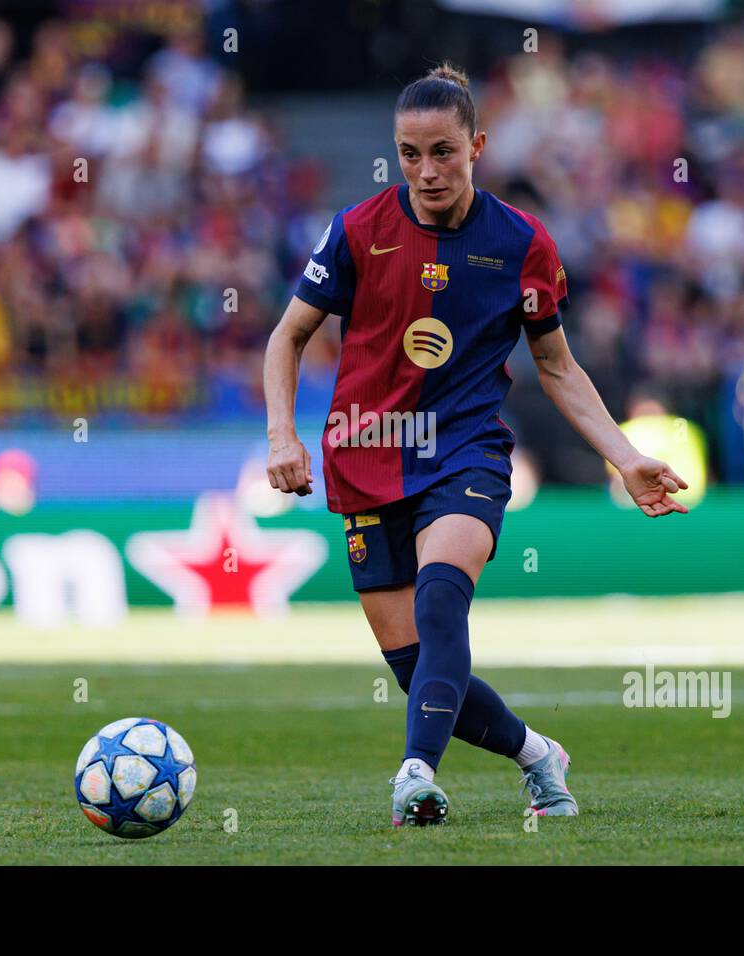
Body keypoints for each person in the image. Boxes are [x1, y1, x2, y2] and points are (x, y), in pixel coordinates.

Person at [263, 63, 688, 827]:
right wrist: (280, 435)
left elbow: (557, 366)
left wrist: (625, 459)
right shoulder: (358, 229)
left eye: (443, 152)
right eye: (410, 153)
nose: (426, 171)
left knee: (441, 601)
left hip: (467, 450)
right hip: (365, 455)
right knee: (414, 668)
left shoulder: (521, 242)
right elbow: (288, 337)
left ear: (477, 146)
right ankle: (536, 755)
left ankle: (415, 774)